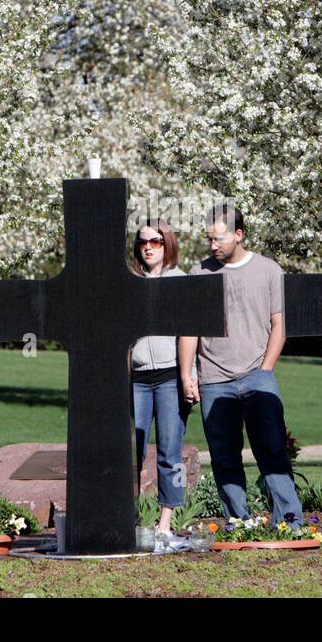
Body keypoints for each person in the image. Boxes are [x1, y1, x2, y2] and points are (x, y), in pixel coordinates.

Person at [178, 203, 304, 525]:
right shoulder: (199, 274)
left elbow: (280, 326)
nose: (212, 246)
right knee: (224, 458)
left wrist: (265, 369)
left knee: (273, 451)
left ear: (239, 234)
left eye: (218, 239)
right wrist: (186, 374)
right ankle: (239, 524)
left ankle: (289, 523)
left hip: (257, 374)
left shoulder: (269, 270)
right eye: (209, 239)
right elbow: (189, 329)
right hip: (213, 379)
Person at [128, 219, 189, 537]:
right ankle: (128, 519)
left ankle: (165, 523)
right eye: (142, 242)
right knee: (130, 450)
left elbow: (190, 334)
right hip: (137, 379)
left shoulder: (180, 281)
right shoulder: (129, 282)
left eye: (156, 241)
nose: (148, 247)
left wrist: (187, 376)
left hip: (169, 378)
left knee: (170, 450)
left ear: (168, 244)